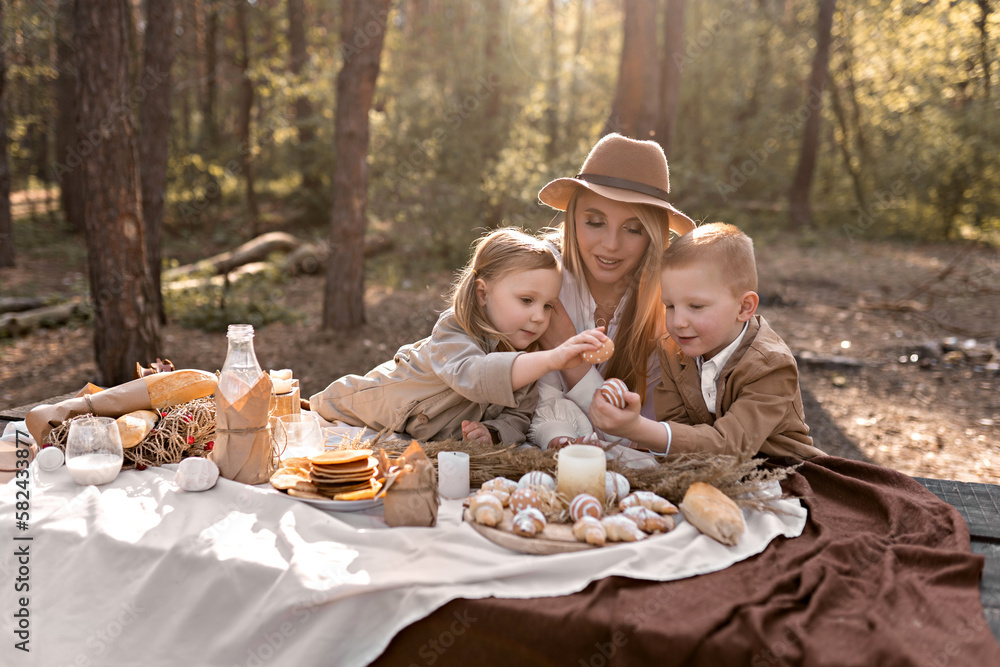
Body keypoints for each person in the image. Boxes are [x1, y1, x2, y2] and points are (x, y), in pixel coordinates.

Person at [309, 227, 608, 445]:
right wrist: (554, 358)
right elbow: (475, 376)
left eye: (548, 306)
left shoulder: (525, 359)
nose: (539, 317)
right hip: (365, 406)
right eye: (527, 300)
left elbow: (519, 416)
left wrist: (493, 432)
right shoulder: (454, 330)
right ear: (483, 293)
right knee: (313, 417)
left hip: (415, 436)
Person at [589, 222, 824, 459]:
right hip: (701, 464)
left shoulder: (771, 365)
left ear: (744, 307)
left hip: (779, 466)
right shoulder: (672, 350)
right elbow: (675, 424)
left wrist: (637, 428)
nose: (678, 322)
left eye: (696, 306)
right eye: (670, 306)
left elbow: (732, 445)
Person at [526, 133, 696, 452]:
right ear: (573, 217)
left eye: (633, 229)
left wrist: (572, 361)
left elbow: (641, 435)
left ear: (653, 235)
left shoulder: (668, 305)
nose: (611, 244)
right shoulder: (535, 272)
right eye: (595, 222)